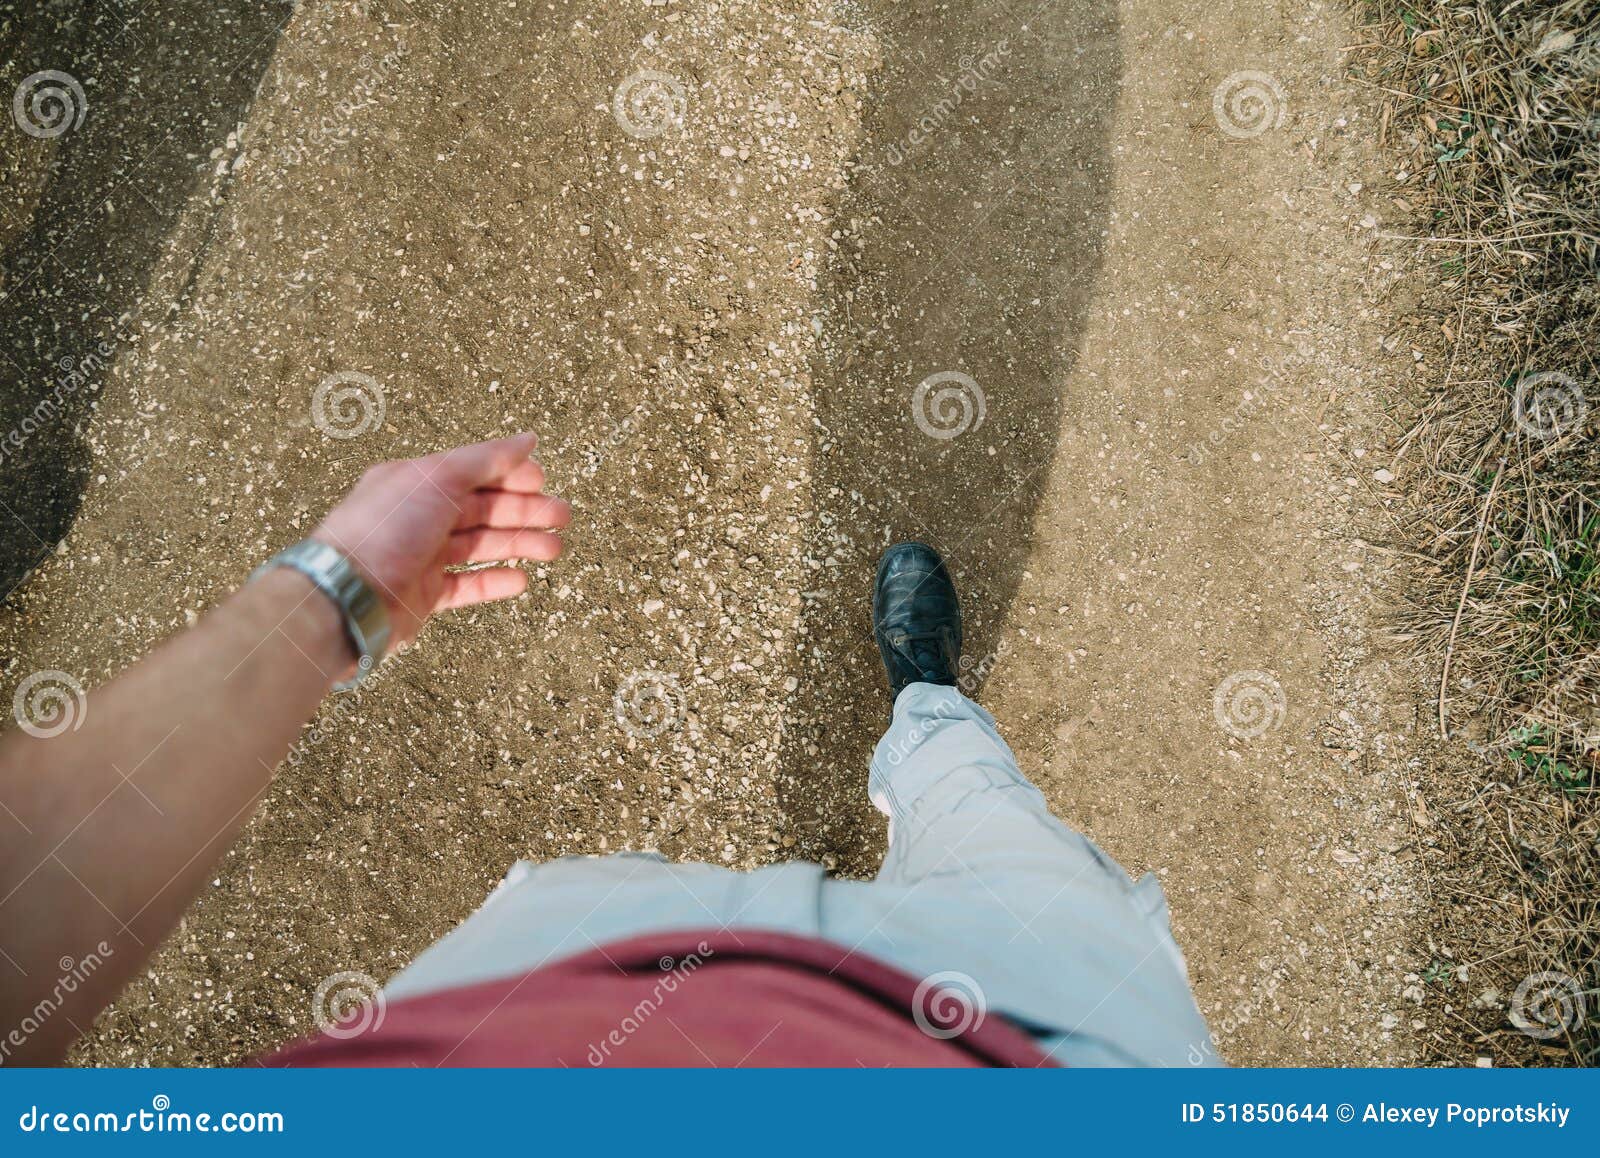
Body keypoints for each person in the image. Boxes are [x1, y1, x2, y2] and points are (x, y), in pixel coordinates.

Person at [0, 435, 1215, 1067]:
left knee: (972, 807)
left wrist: (336, 593)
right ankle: (931, 724)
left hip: (550, 989)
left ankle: (926, 712)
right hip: (1043, 1057)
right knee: (1003, 838)